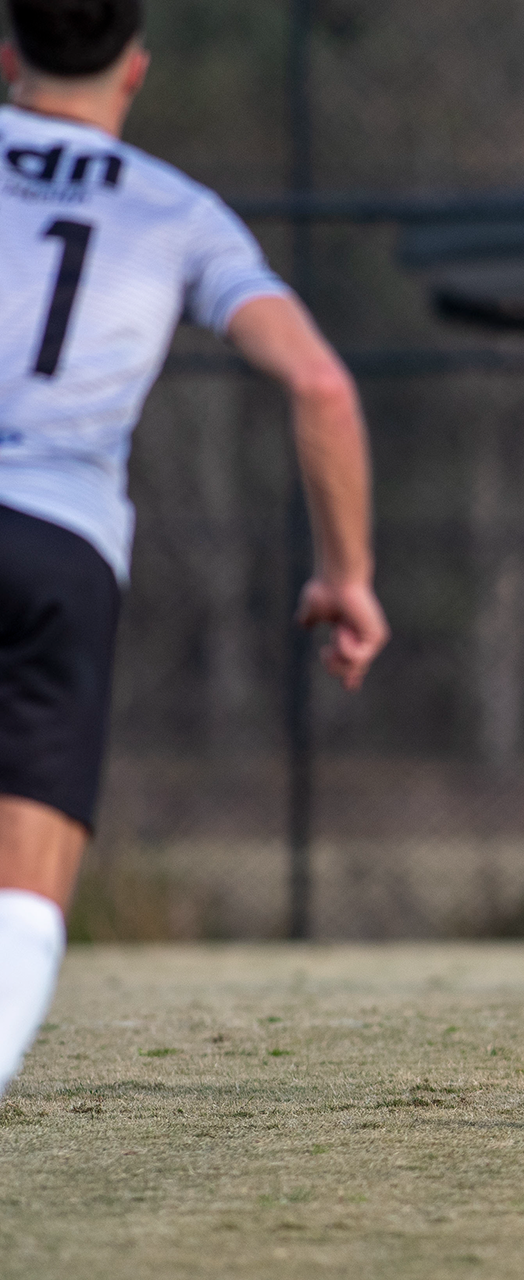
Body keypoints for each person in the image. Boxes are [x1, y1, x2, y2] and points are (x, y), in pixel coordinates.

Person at [0, 0, 387, 1099]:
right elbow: (320, 383)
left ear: (9, 55)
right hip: (61, 550)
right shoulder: (177, 212)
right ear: (135, 71)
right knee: (25, 886)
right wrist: (347, 575)